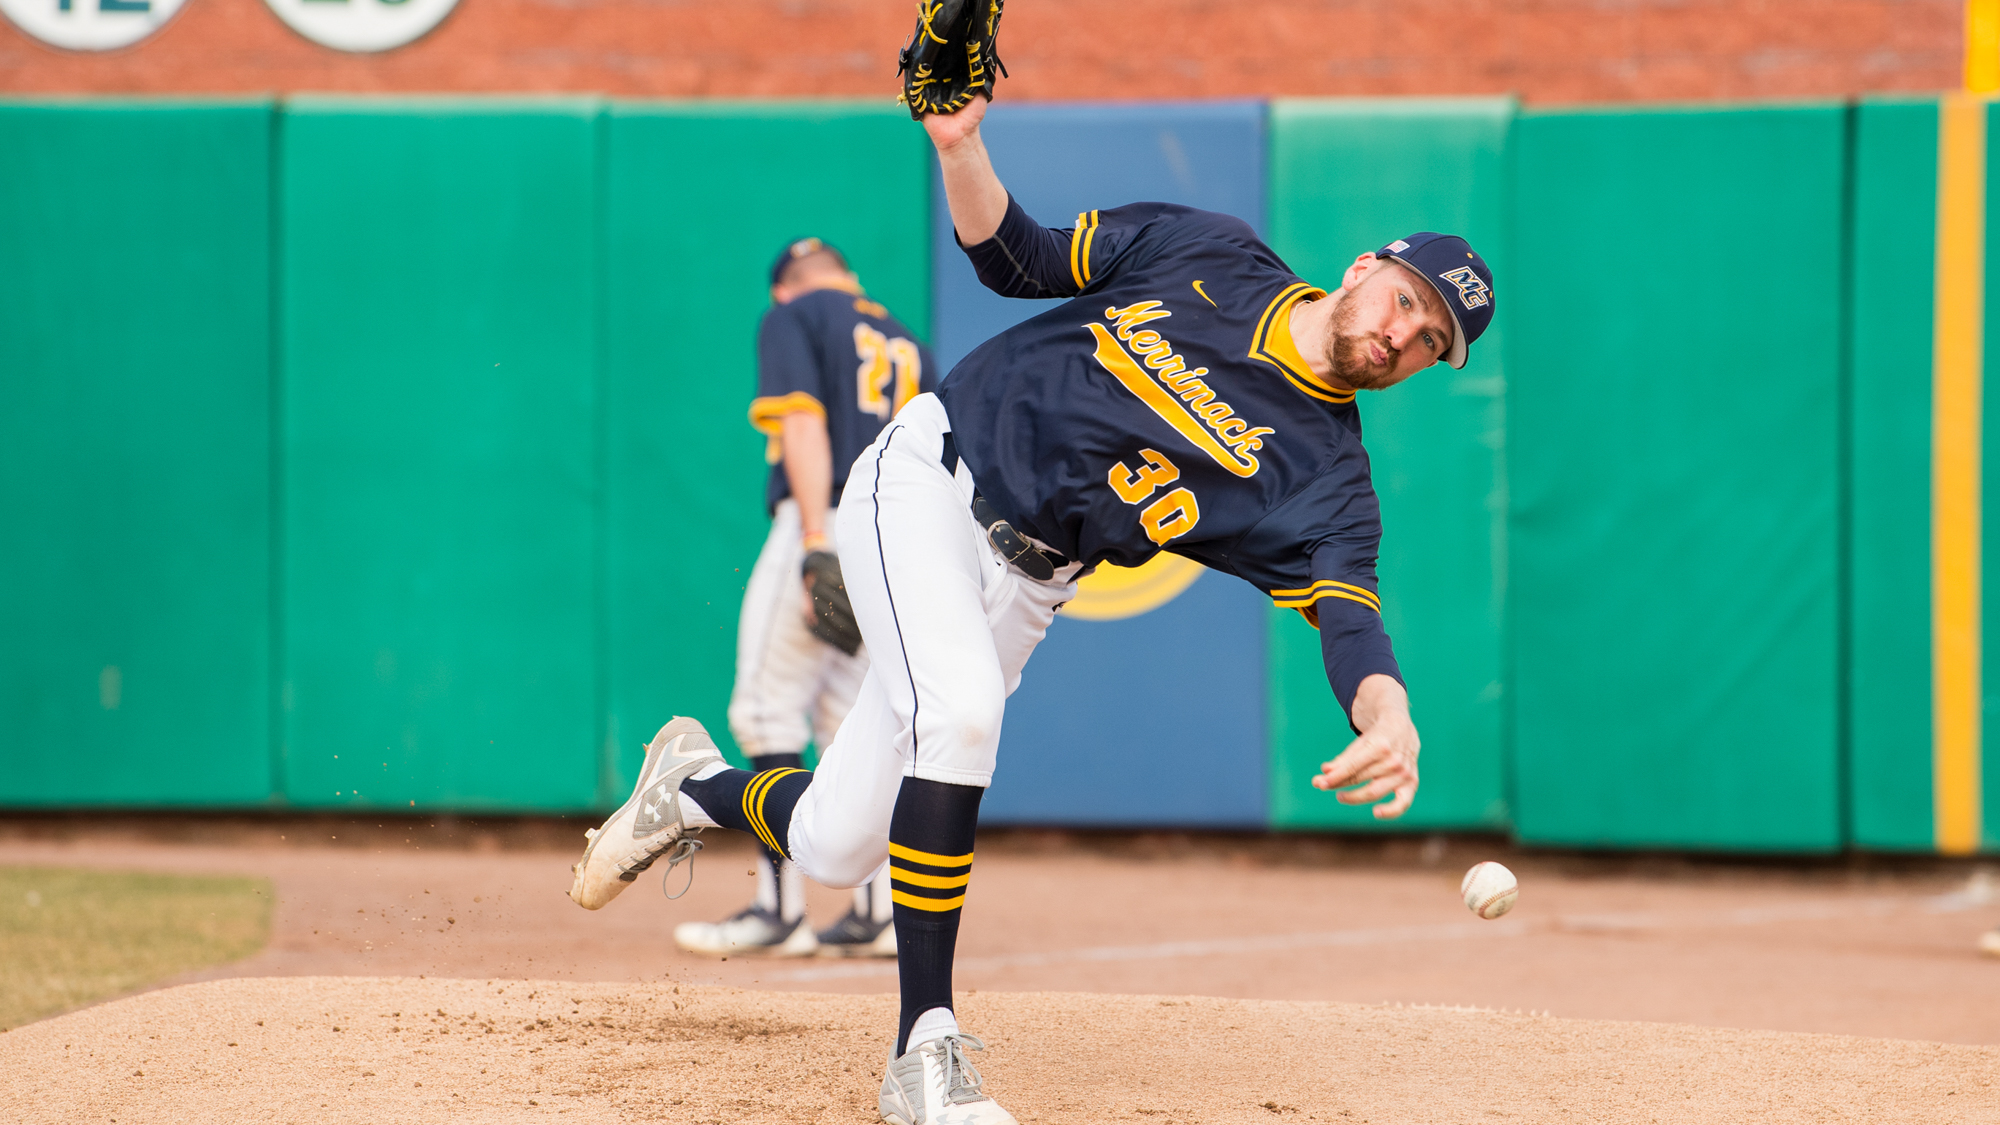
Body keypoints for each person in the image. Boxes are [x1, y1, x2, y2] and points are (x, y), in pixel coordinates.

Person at [569, 96, 1495, 1125]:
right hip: (927, 478)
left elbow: (1350, 622)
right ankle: (924, 1050)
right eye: (1405, 301)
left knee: (835, 845)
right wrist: (960, 145)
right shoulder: (1212, 252)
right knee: (960, 712)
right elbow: (1017, 258)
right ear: (1365, 267)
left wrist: (1386, 710)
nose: (1401, 334)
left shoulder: (1324, 478)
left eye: (1427, 341)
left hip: (1030, 582)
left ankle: (693, 789)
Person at [668, 237, 934, 960]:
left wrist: (817, 535)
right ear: (849, 273)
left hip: (829, 517)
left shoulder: (792, 314)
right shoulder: (904, 337)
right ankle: (878, 910)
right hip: (899, 534)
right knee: (854, 720)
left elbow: (803, 421)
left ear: (783, 287)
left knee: (765, 710)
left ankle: (778, 907)